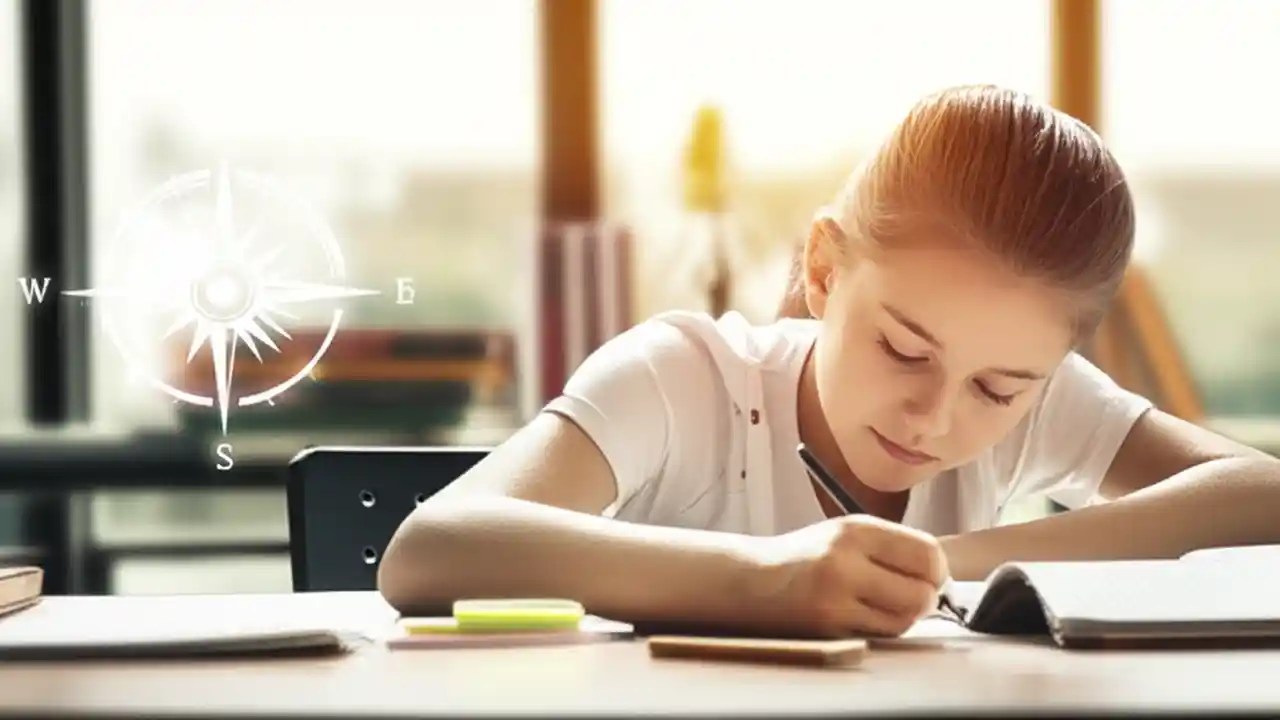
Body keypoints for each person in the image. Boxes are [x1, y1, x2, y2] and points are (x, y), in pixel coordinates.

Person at [378, 85, 1280, 639]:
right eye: (902, 347)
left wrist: (945, 561)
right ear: (823, 269)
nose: (935, 416)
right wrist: (760, 579)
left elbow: (1262, 498)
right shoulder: (684, 375)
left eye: (999, 390)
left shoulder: (1038, 398)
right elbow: (428, 551)